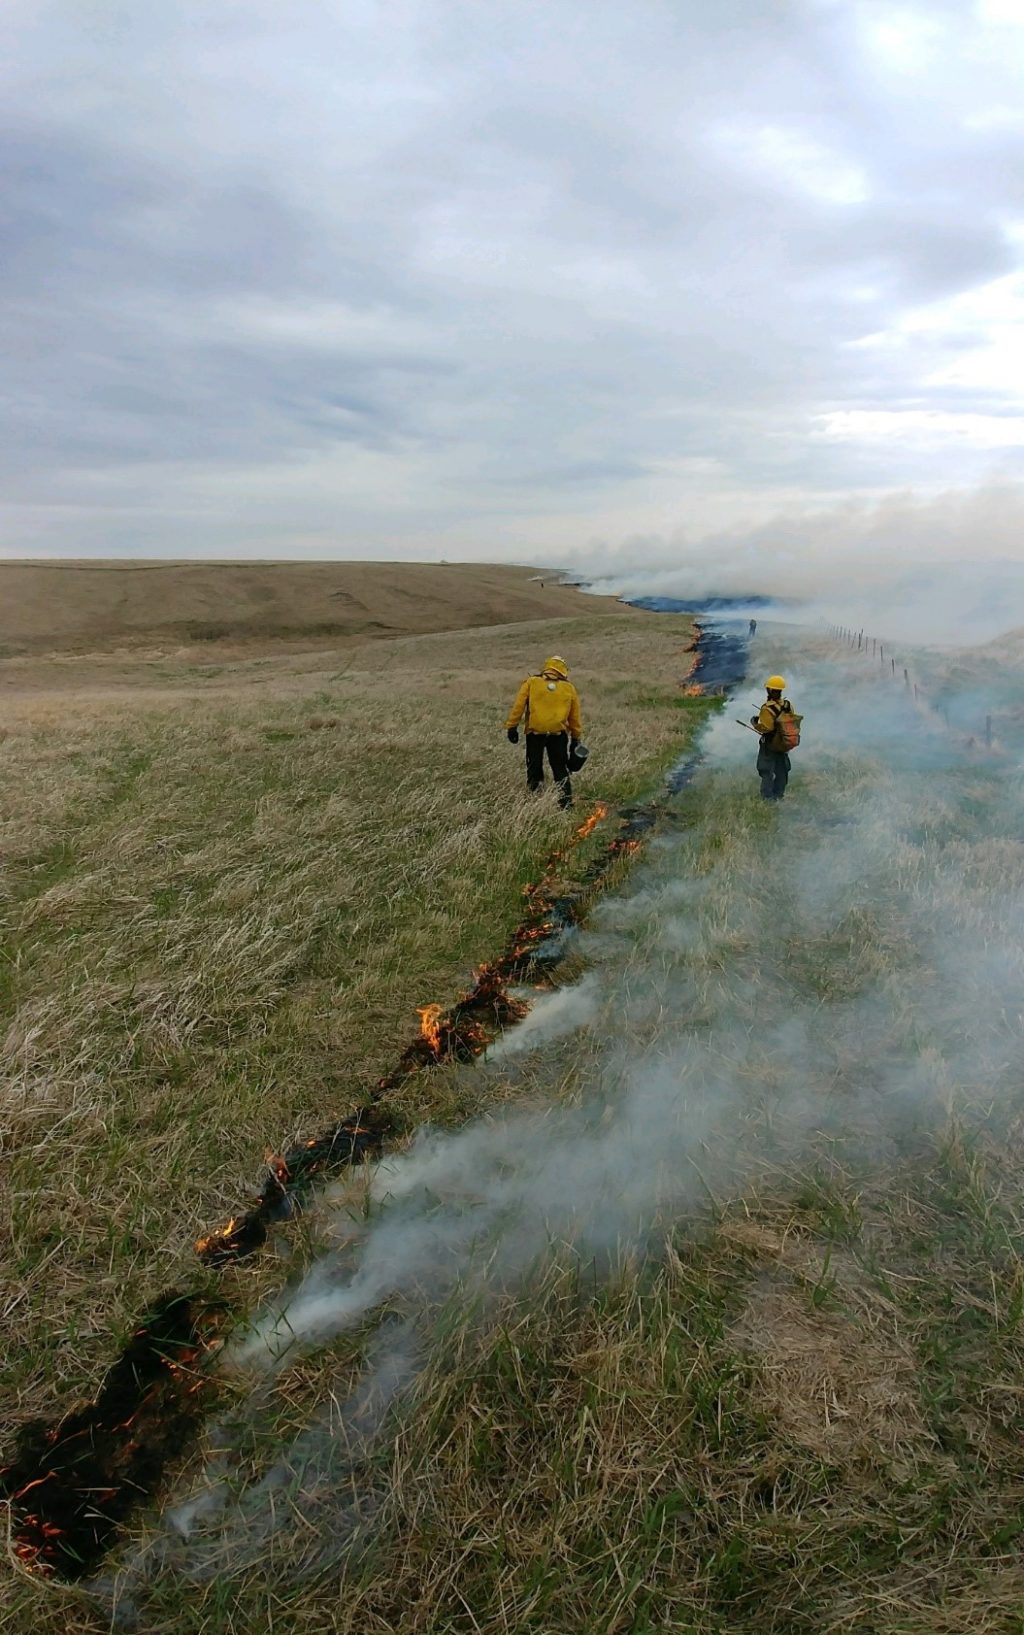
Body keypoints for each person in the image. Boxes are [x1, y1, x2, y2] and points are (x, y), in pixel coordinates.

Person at [505, 654, 583, 809]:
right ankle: (566, 803)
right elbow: (574, 717)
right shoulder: (569, 688)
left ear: (547, 667)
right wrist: (576, 737)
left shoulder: (532, 682)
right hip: (558, 735)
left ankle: (535, 799)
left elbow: (518, 706)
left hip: (535, 734)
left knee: (534, 766)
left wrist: (511, 726)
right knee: (560, 769)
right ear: (563, 670)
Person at [751, 675, 797, 802]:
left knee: (766, 770)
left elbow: (767, 728)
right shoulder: (787, 705)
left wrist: (755, 723)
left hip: (770, 744)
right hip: (784, 743)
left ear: (770, 690)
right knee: (782, 769)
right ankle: (779, 794)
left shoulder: (767, 708)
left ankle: (767, 798)